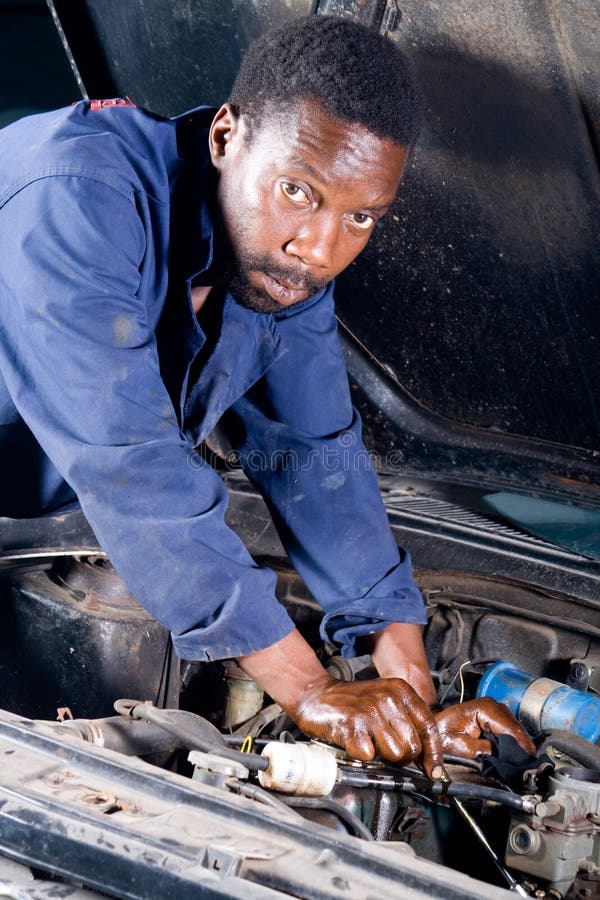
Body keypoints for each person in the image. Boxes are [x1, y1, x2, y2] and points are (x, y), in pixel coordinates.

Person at [0, 15, 533, 774]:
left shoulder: (278, 268)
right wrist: (310, 690)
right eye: (298, 191)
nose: (321, 248)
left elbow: (313, 453)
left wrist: (409, 688)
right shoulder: (74, 201)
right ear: (225, 138)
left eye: (360, 217)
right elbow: (134, 467)